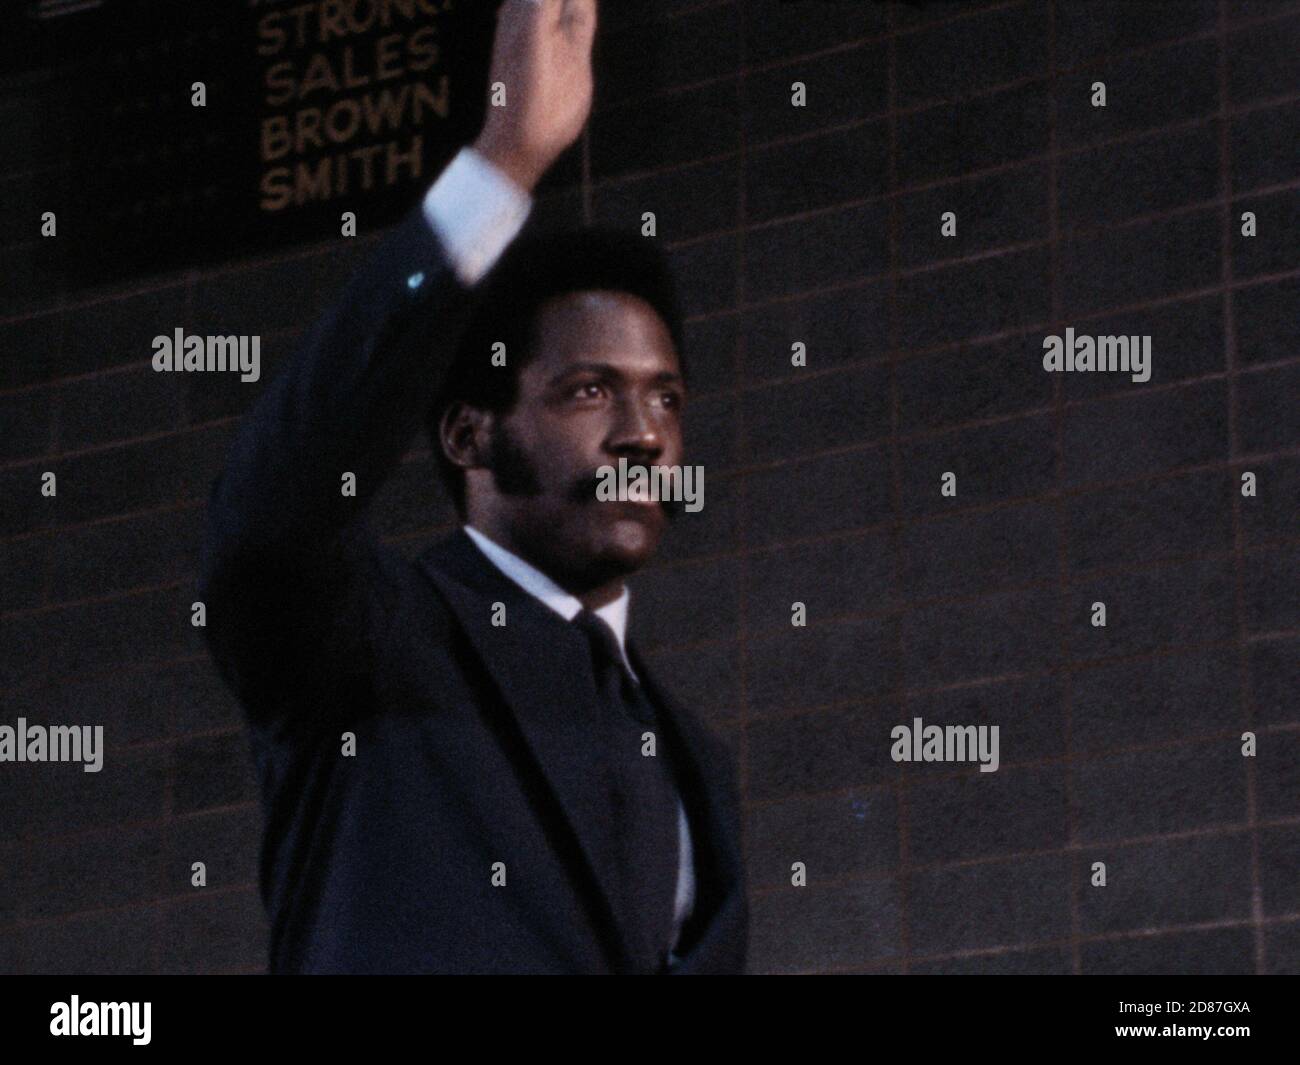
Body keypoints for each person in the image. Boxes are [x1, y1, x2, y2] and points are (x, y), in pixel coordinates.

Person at [198, 0, 748, 974]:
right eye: (589, 392)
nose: (642, 435)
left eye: (665, 398)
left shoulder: (695, 756)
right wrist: (500, 166)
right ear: (467, 433)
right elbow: (267, 519)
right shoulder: (363, 647)